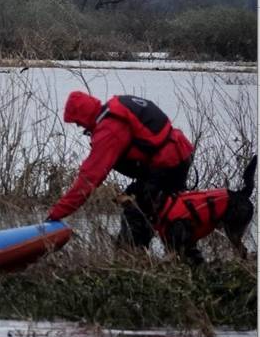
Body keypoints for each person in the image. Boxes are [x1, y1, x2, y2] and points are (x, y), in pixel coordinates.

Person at [47, 91, 194, 248]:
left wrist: (55, 215)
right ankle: (176, 253)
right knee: (163, 212)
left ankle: (133, 257)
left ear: (84, 116)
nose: (78, 126)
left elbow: (88, 179)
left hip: (167, 166)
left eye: (77, 122)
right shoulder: (114, 108)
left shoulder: (109, 130)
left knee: (136, 214)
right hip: (176, 157)